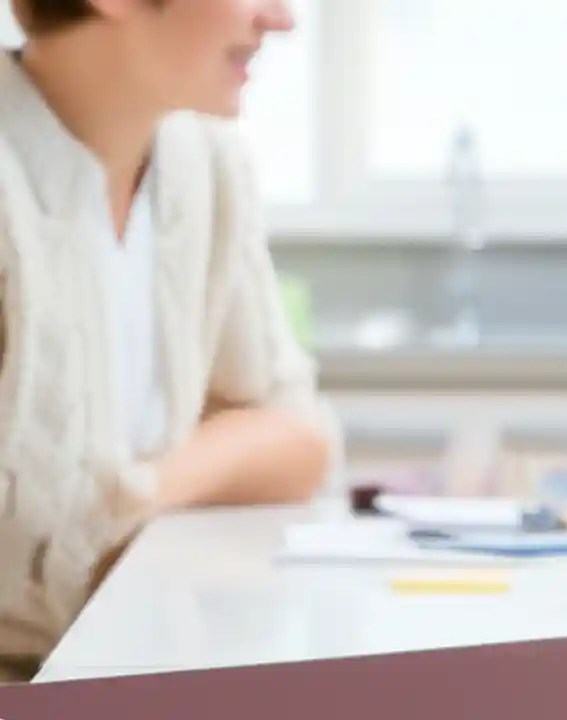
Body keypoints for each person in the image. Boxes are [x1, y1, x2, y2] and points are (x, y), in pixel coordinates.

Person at [0, 0, 340, 681]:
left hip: (125, 665)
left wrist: (138, 492)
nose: (281, 19)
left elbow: (296, 435)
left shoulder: (202, 161)